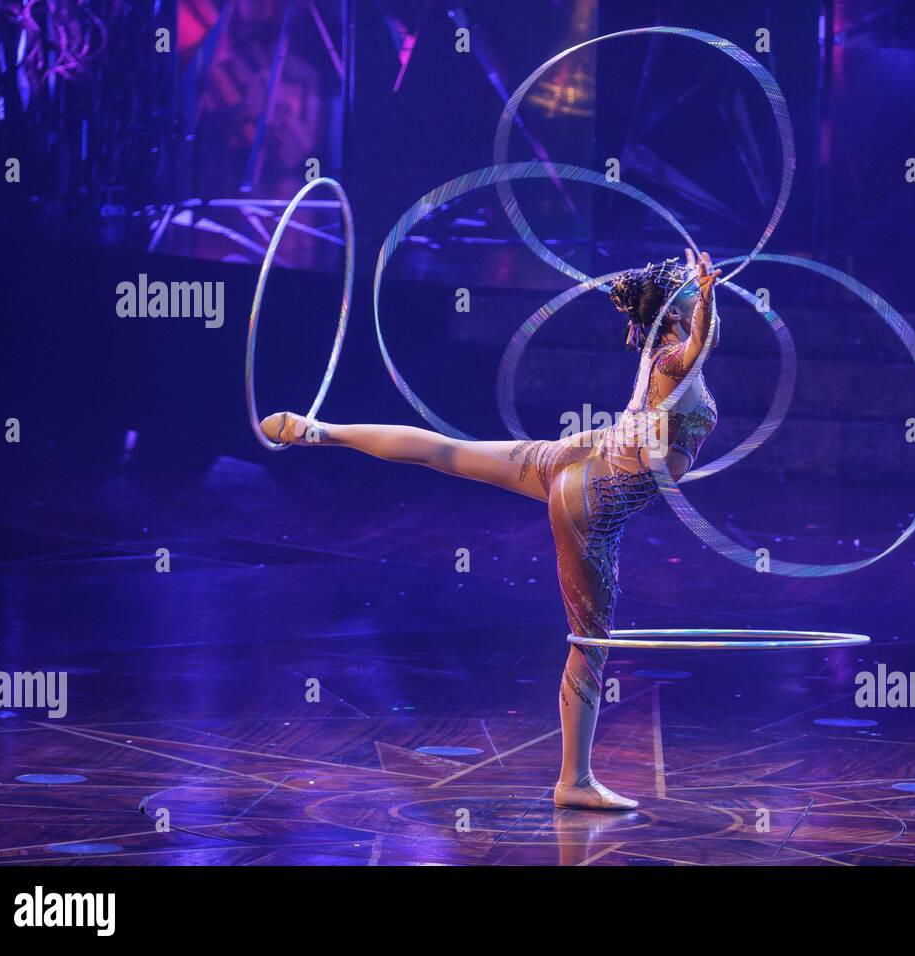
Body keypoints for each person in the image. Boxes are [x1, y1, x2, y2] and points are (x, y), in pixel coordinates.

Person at [261, 250, 721, 810]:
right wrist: (706, 296)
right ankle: (573, 783)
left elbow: (699, 340)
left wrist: (699, 296)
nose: (702, 302)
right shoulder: (674, 358)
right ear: (678, 314)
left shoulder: (656, 353)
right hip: (591, 499)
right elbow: (700, 343)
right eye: (694, 299)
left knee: (449, 453)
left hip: (579, 457)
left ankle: (318, 432)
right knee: (590, 644)